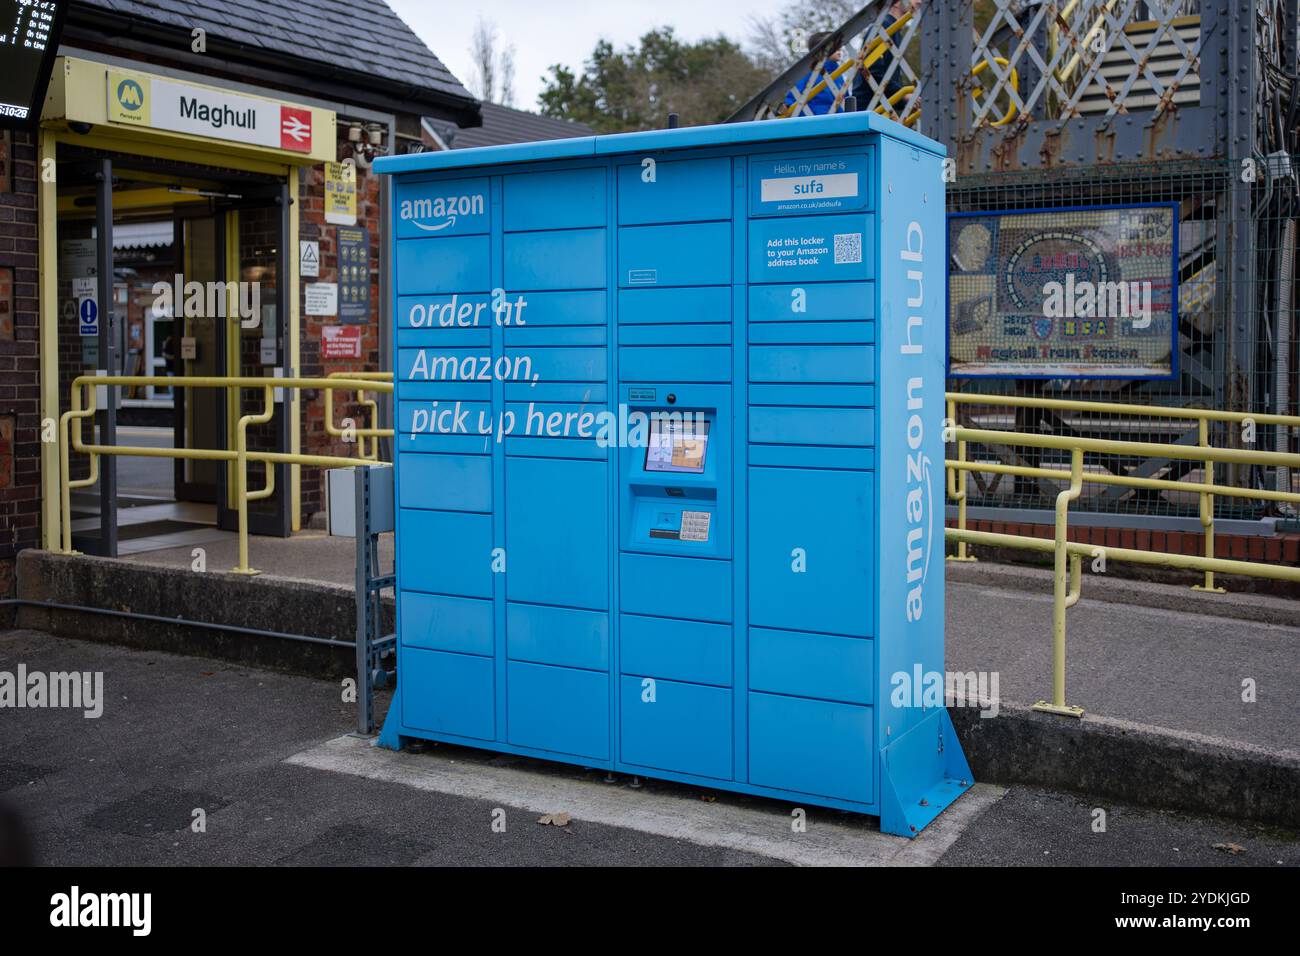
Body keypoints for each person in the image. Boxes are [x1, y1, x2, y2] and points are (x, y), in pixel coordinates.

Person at [783, 31, 841, 115]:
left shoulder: (839, 73)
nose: (839, 51)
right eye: (835, 48)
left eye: (839, 48)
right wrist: (787, 105)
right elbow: (794, 94)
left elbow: (845, 96)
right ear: (821, 50)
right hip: (812, 119)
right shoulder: (809, 72)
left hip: (838, 121)